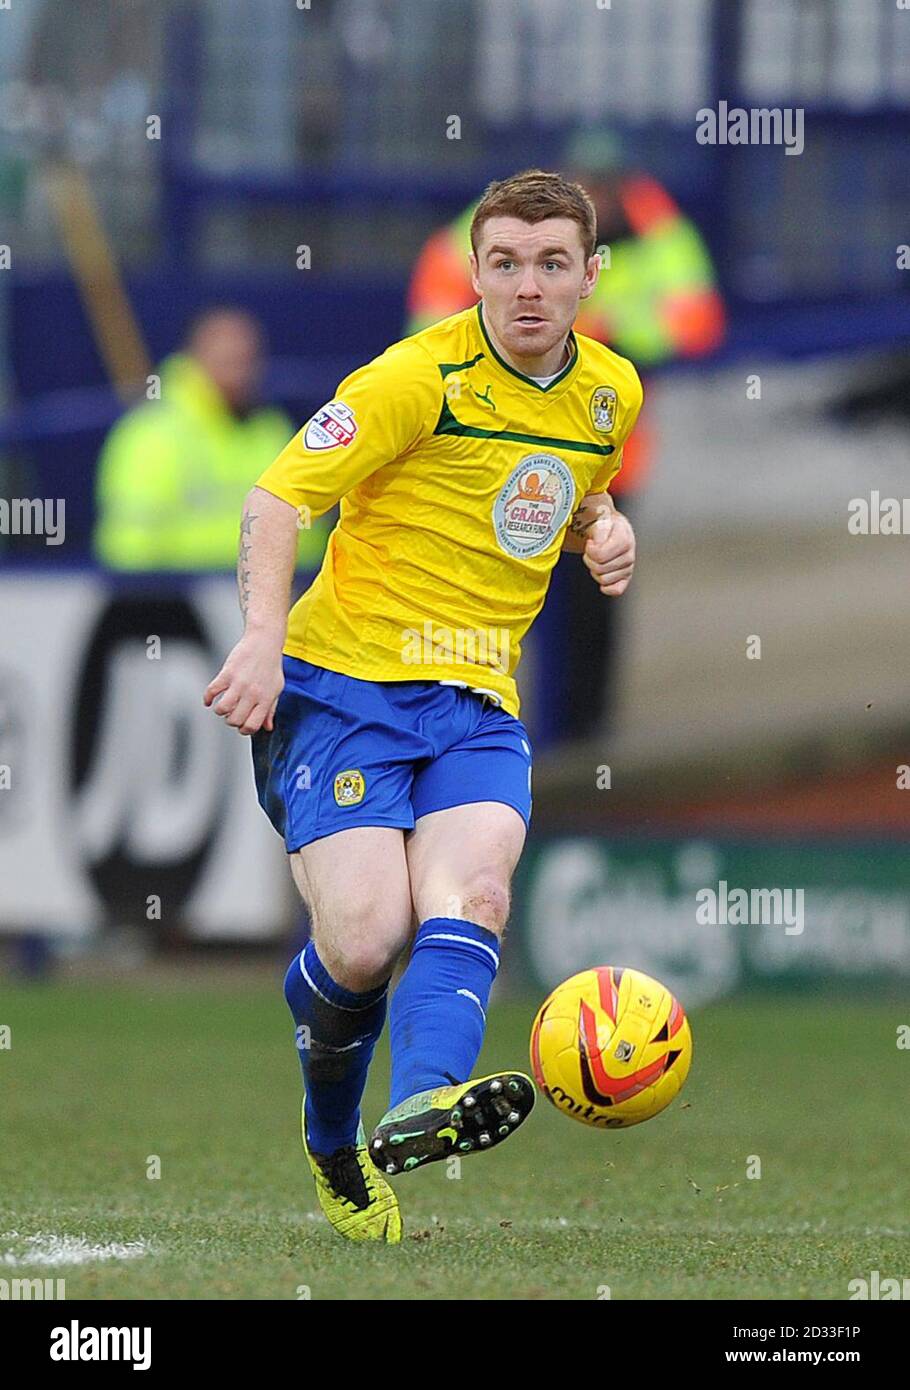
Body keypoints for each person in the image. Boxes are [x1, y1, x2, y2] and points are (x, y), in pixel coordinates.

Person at [203, 169, 643, 1244]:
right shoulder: (414, 376)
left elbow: (560, 493)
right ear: (474, 271)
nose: (526, 287)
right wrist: (262, 637)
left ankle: (421, 1102)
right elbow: (275, 496)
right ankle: (329, 1138)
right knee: (363, 941)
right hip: (342, 689)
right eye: (503, 264)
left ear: (591, 275)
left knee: (475, 890)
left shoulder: (611, 395)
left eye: (550, 264)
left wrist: (604, 529)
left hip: (479, 699)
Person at [406, 130, 724, 739]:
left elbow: (698, 319)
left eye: (606, 185)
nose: (597, 195)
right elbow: (435, 310)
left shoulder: (656, 228)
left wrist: (614, 337)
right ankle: (470, 719)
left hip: (598, 452)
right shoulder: (504, 224)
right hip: (493, 444)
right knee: (487, 579)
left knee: (591, 597)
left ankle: (582, 735)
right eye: (586, 183)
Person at [94, 307, 328, 571]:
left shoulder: (272, 431)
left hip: (268, 599)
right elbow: (129, 548)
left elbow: (304, 532)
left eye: (247, 360)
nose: (239, 374)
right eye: (227, 361)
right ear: (194, 360)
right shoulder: (151, 435)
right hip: (180, 602)